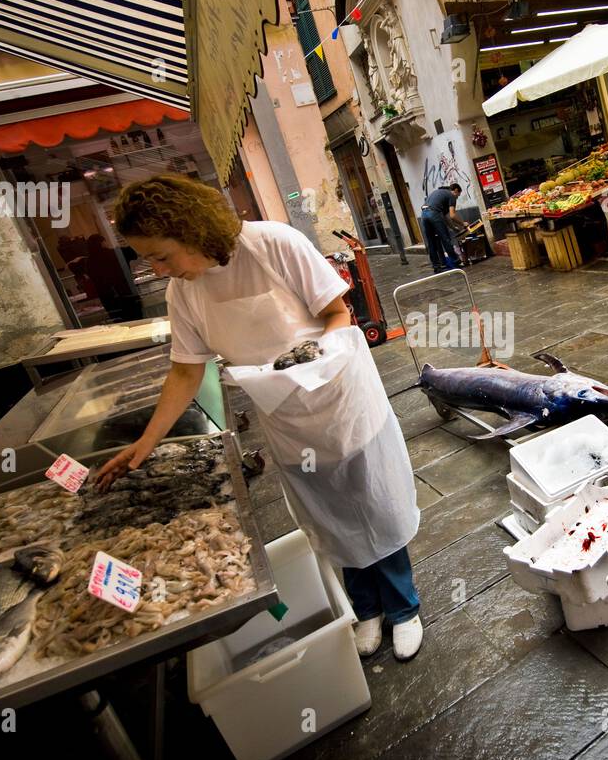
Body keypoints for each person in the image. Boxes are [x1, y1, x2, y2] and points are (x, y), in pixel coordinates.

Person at [94, 174, 424, 661]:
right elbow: (185, 373)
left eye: (160, 255)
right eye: (147, 259)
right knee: (333, 519)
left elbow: (337, 312)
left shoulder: (275, 244)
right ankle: (366, 609)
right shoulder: (183, 294)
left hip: (341, 402)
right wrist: (146, 443)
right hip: (287, 421)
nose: (158, 269)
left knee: (374, 504)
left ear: (190, 229)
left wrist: (318, 355)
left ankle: (404, 609)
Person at [421, 182, 462, 274]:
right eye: (458, 195)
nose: (457, 198)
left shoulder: (439, 193)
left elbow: (445, 217)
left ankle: (436, 266)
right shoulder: (451, 196)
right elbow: (452, 215)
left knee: (431, 242)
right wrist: (463, 223)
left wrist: (453, 227)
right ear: (455, 190)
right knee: (445, 239)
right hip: (434, 214)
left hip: (424, 214)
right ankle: (456, 262)